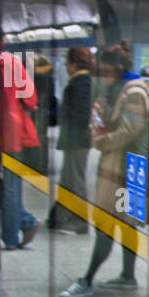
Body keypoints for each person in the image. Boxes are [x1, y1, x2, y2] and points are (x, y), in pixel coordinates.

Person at [58, 41, 149, 297]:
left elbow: (129, 130)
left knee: (108, 222)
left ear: (120, 68)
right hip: (122, 166)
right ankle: (128, 276)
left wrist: (99, 141)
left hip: (129, 168)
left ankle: (86, 280)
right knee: (123, 223)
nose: (104, 77)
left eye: (108, 72)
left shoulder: (134, 92)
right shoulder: (116, 89)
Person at [48, 46, 94, 234]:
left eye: (68, 63)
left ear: (75, 64)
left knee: (75, 180)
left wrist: (76, 133)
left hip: (77, 140)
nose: (66, 67)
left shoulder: (80, 83)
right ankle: (58, 217)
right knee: (69, 178)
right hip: (76, 140)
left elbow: (81, 113)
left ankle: (80, 220)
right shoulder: (81, 82)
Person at [0, 50, 41, 249]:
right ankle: (14, 234)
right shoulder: (12, 63)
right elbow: (30, 99)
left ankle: (24, 223)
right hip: (11, 132)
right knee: (11, 185)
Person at [20, 55, 57, 175]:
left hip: (36, 109)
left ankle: (35, 166)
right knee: (41, 138)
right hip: (43, 110)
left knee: (34, 138)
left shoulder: (36, 75)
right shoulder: (49, 75)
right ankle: (41, 166)